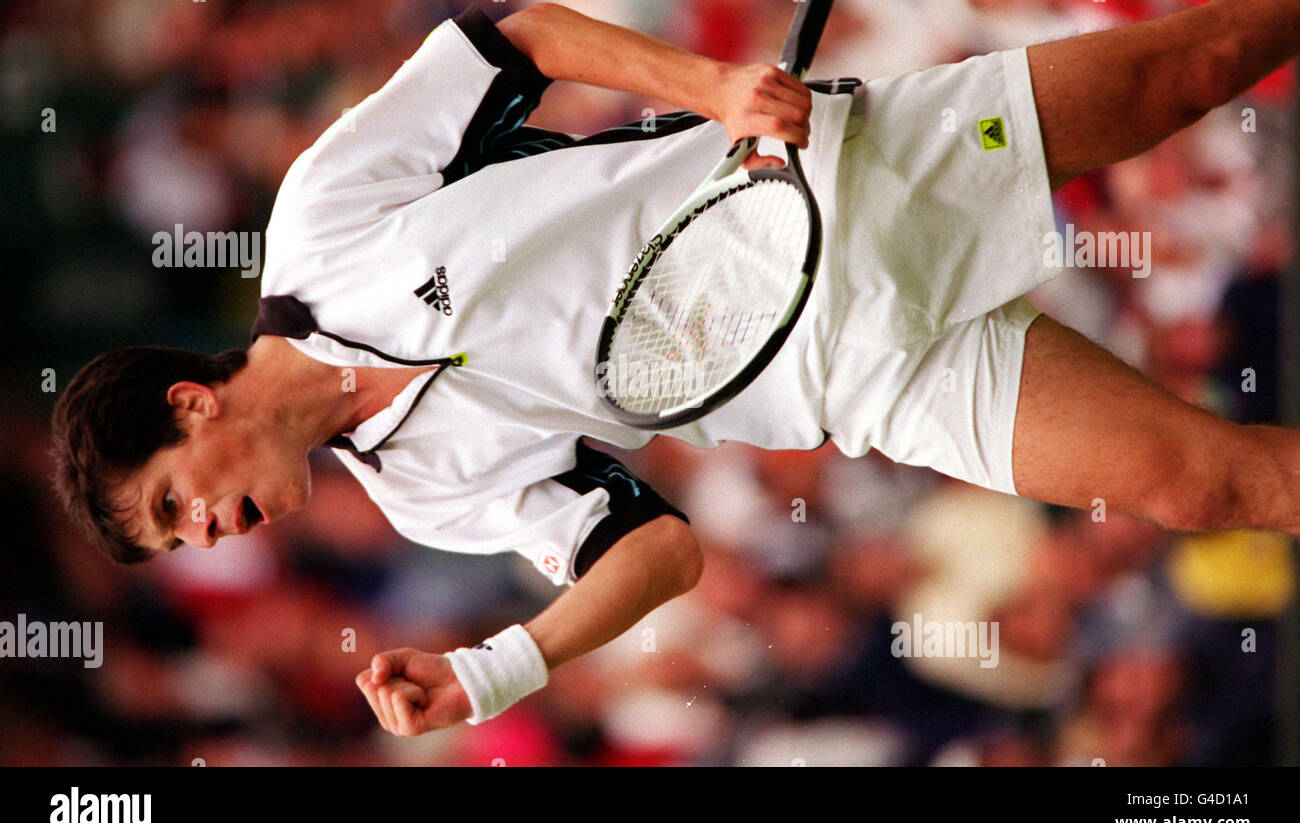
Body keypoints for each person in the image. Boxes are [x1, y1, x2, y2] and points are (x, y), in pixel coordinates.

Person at [50, 0, 1300, 737]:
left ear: (191, 402)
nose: (208, 534)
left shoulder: (321, 219)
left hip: (845, 184)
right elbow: (663, 552)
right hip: (859, 376)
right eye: (181, 546)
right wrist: (497, 670)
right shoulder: (422, 495)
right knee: (1205, 490)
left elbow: (512, 35)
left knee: (1187, 72)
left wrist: (714, 85)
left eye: (176, 502)